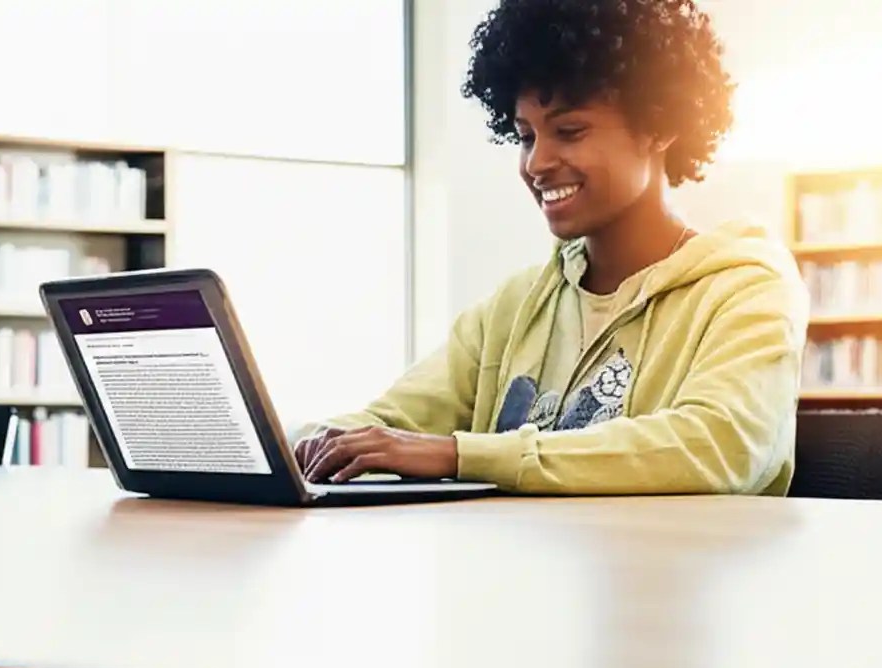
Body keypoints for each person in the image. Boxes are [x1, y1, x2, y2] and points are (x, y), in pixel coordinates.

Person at [293, 0, 808, 495]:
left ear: (659, 126)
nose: (537, 163)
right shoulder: (516, 308)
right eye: (525, 136)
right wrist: (304, 444)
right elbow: (388, 424)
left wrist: (459, 455)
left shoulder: (748, 288)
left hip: (678, 580)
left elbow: (720, 444)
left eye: (569, 131)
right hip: (523, 578)